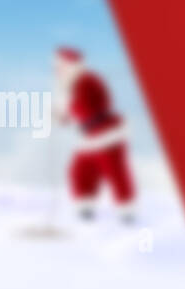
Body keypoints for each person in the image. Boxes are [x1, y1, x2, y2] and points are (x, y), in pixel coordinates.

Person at [52, 46, 138, 225]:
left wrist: (65, 110)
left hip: (106, 132)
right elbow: (69, 115)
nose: (56, 71)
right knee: (81, 169)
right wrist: (59, 114)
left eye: (59, 67)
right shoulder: (70, 85)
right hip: (89, 135)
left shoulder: (87, 80)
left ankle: (127, 212)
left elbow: (87, 106)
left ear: (68, 66)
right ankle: (85, 207)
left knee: (114, 171)